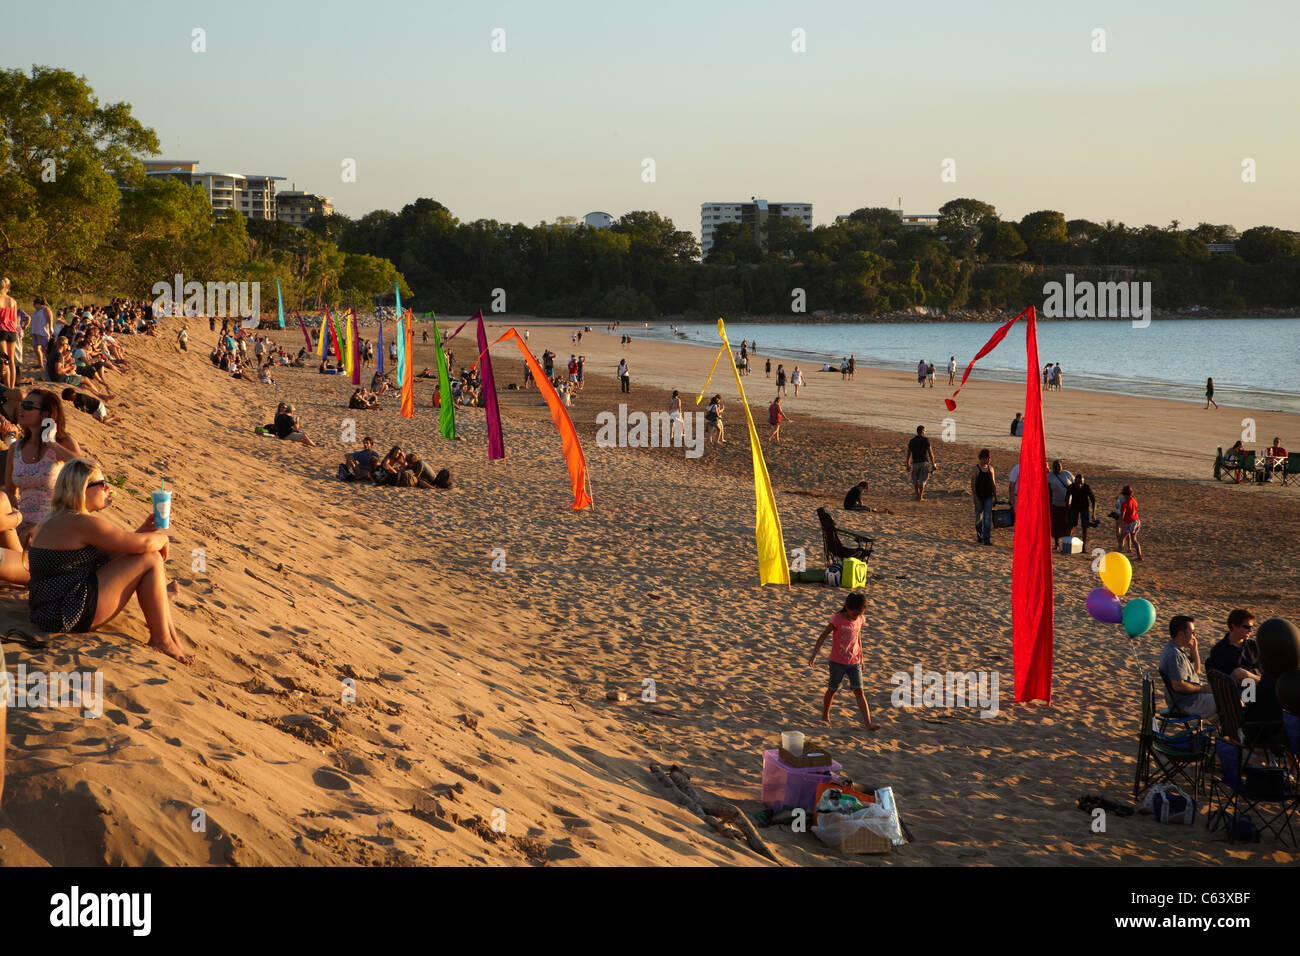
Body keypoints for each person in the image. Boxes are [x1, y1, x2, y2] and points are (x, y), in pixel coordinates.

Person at [28, 458, 191, 662]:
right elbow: (142, 547)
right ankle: (162, 639)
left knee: (147, 557)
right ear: (83, 489)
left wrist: (145, 530)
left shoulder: (58, 518)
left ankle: (170, 639)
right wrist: (163, 538)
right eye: (102, 484)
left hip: (50, 610)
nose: (108, 489)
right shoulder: (81, 523)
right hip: (68, 612)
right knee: (150, 559)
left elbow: (116, 553)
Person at [5, 389, 83, 545]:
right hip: (23, 524)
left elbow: (81, 468)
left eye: (28, 405)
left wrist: (51, 443)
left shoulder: (62, 443)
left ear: (45, 415)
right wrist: (15, 523)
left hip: (55, 522)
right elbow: (10, 492)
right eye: (22, 404)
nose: (21, 408)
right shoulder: (17, 448)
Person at [807, 591, 878, 731]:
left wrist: (862, 658)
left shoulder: (860, 619)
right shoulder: (837, 619)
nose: (856, 616)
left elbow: (858, 637)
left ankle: (868, 723)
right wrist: (814, 654)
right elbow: (823, 635)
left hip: (854, 661)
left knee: (859, 691)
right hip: (837, 662)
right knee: (832, 689)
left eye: (859, 614)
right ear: (847, 608)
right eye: (854, 613)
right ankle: (825, 715)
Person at [1158, 615, 1216, 720]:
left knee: (1229, 700)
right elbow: (1178, 686)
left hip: (1189, 699)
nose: (1195, 635)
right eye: (1192, 632)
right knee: (1229, 702)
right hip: (1187, 702)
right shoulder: (1174, 655)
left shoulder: (1177, 650)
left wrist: (1194, 650)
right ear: (1181, 634)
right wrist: (1203, 689)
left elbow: (1197, 671)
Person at [1205, 609, 1260, 684]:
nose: (1250, 630)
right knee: (1239, 672)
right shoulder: (1219, 650)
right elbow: (1217, 681)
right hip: (1235, 691)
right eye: (1246, 627)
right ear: (1234, 626)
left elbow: (1265, 670)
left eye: (1251, 627)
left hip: (1256, 687)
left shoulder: (1252, 645)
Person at [970, 449, 996, 545]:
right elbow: (973, 484)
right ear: (982, 458)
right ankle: (979, 535)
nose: (988, 460)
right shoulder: (976, 469)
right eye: (987, 458)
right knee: (979, 518)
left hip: (989, 496)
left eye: (989, 458)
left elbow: (993, 483)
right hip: (979, 497)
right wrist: (975, 497)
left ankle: (987, 539)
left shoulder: (991, 469)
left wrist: (995, 497)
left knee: (987, 518)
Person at [1046, 459, 1074, 549]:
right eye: (1055, 467)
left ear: (1062, 466)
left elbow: (1075, 486)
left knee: (1068, 524)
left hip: (1068, 505)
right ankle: (1057, 543)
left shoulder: (1067, 474)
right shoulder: (1049, 476)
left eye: (1058, 466)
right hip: (1055, 504)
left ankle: (1067, 543)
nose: (1057, 468)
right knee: (1055, 525)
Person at [905, 425, 936, 501]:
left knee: (915, 479)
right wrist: (933, 464)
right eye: (925, 431)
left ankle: (916, 496)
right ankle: (920, 497)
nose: (925, 432)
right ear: (922, 431)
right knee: (922, 480)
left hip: (915, 463)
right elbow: (930, 453)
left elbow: (909, 453)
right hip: (924, 463)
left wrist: (908, 464)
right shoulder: (926, 440)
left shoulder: (912, 441)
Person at [1066, 472, 1096, 549]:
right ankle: (1068, 543)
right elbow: (1066, 499)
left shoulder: (1086, 487)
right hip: (1074, 507)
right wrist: (1068, 510)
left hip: (1084, 507)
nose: (1079, 485)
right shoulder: (1071, 487)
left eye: (1081, 483)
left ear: (1083, 482)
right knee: (1071, 524)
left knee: (1084, 526)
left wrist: (1093, 513)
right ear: (1074, 481)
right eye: (1077, 483)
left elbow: (1093, 501)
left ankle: (1084, 546)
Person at [0, 277, 19, 390]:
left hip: (1, 330)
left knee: (4, 359)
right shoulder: (13, 301)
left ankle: (7, 388)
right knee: (11, 360)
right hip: (12, 331)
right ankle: (12, 386)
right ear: (8, 287)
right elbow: (15, 319)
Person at [1117, 484, 1142, 560]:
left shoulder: (1125, 503)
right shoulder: (1134, 501)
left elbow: (1123, 514)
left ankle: (1118, 556)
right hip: (1136, 521)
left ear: (1124, 494)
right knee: (1134, 540)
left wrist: (1120, 523)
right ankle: (1139, 556)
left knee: (1121, 539)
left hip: (1129, 523)